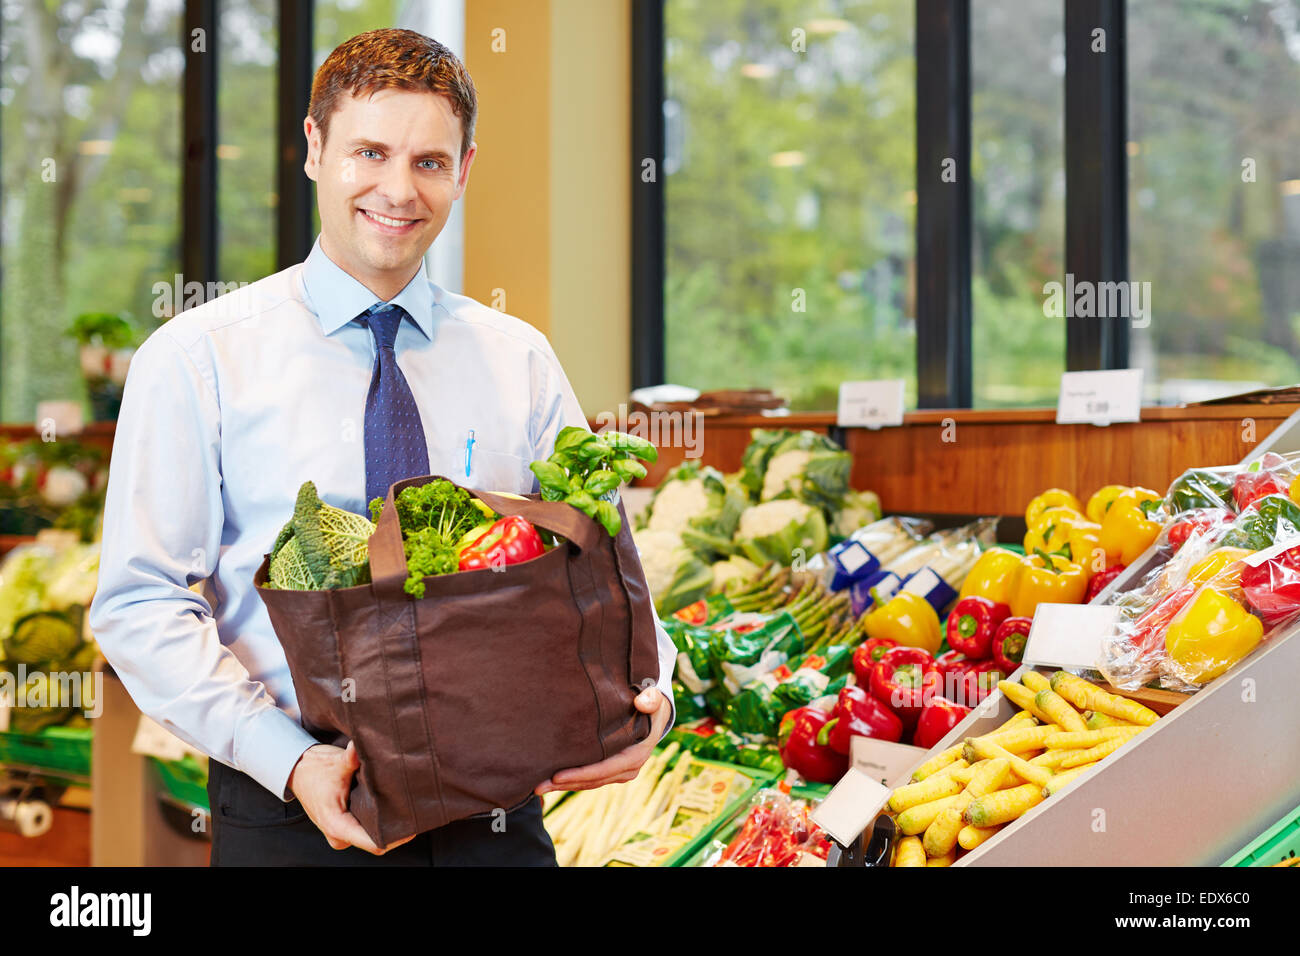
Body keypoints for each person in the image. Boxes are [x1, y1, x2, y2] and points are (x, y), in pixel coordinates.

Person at [88, 28, 675, 867]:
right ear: (315, 148)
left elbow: (600, 551)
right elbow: (140, 603)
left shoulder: (518, 358)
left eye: (430, 162)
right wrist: (289, 759)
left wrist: (651, 692)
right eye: (370, 152)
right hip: (289, 808)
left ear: (464, 170)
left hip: (497, 819)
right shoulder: (197, 359)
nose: (399, 190)